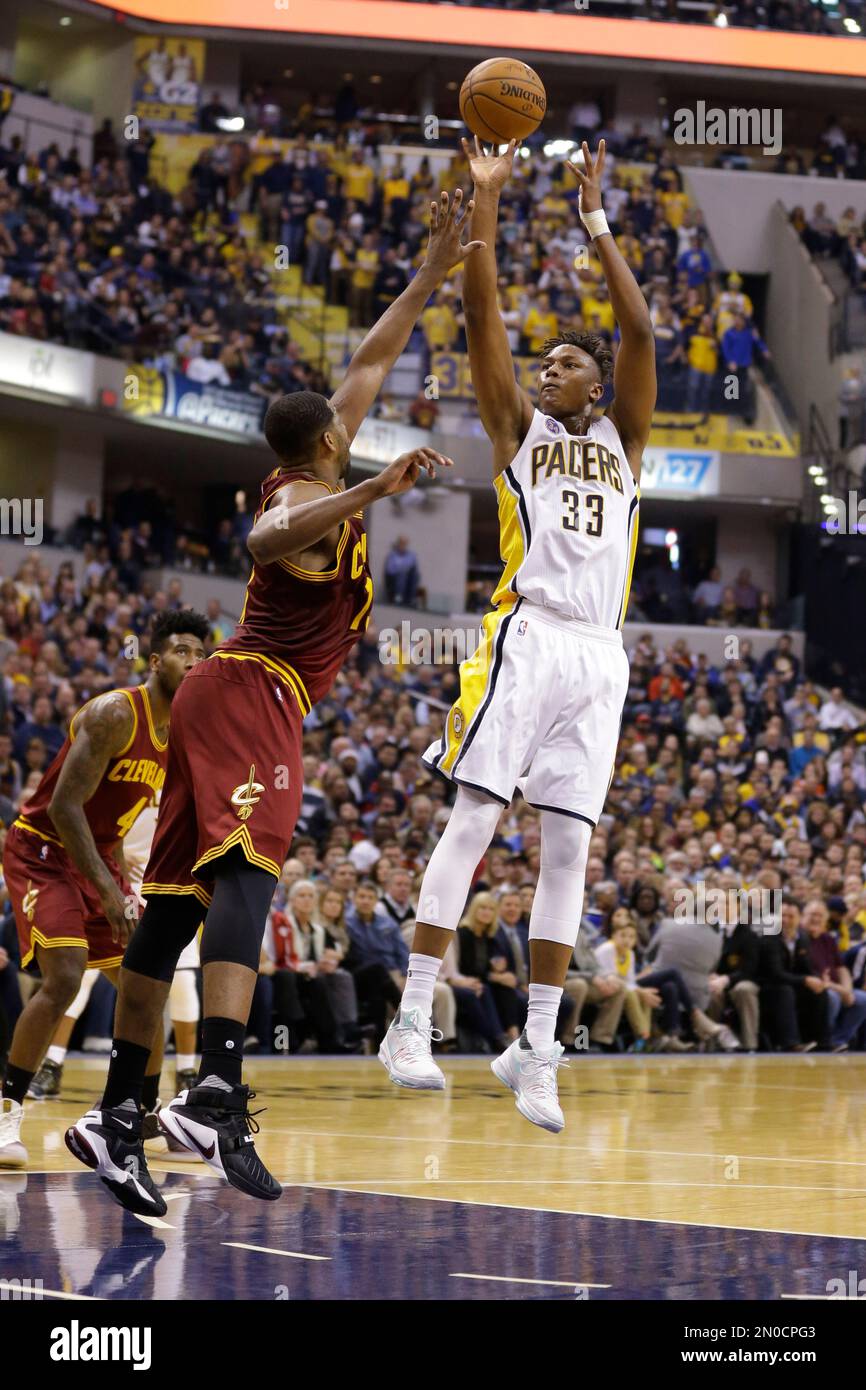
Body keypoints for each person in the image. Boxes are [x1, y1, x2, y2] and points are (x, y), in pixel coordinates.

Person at [65, 187, 483, 1216]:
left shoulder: (315, 458)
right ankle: (215, 1089)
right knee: (250, 876)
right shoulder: (302, 498)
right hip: (252, 688)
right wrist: (373, 495)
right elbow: (257, 546)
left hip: (228, 693)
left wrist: (431, 272)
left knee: (168, 911)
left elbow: (371, 359)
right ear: (329, 450)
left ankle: (118, 1114)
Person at [379, 137, 656, 1135]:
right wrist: (486, 210)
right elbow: (482, 321)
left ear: (597, 386)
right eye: (546, 361)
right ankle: (410, 1018)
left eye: (567, 360)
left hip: (601, 653)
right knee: (473, 820)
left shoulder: (623, 445)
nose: (551, 366)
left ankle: (534, 1048)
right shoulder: (518, 434)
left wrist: (592, 221)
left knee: (568, 854)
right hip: (528, 634)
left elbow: (638, 332)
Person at [0, 611, 208, 1169]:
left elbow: (114, 821)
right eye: (181, 651)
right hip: (43, 850)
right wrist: (109, 892)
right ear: (155, 659)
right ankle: (5, 1112)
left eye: (200, 654)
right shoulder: (117, 712)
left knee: (148, 984)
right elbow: (66, 809)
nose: (193, 662)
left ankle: (140, 1116)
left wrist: (125, 885)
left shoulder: (181, 733)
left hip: (100, 858)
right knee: (66, 976)